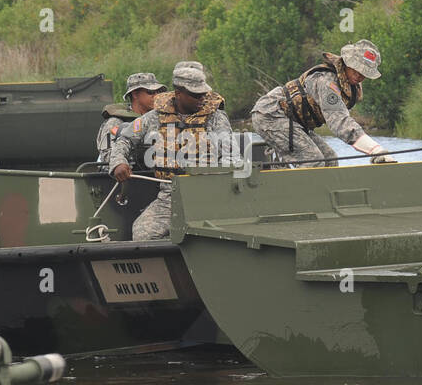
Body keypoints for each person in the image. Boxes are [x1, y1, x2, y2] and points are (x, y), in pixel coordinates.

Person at [108, 61, 232, 241]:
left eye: (203, 94)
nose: (202, 99)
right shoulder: (155, 117)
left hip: (209, 194)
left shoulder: (216, 117)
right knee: (142, 233)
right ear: (179, 93)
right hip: (170, 196)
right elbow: (125, 139)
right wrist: (119, 162)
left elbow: (230, 154)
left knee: (215, 235)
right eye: (195, 95)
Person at [251, 39, 391, 167]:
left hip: (296, 122)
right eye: (357, 69)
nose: (360, 75)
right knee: (313, 160)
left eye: (364, 73)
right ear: (347, 62)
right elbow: (339, 121)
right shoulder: (325, 82)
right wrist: (375, 149)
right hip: (270, 115)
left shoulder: (349, 86)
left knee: (330, 160)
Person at [96, 71, 166, 164]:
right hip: (124, 174)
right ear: (135, 94)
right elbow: (108, 156)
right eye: (151, 92)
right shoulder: (115, 122)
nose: (157, 96)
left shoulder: (161, 118)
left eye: (159, 91)